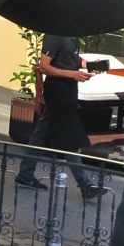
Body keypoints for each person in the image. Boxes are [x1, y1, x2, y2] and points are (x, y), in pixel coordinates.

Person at [15, 35, 103, 199]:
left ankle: (25, 175)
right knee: (69, 135)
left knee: (40, 133)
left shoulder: (72, 35)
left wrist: (88, 65)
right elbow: (44, 67)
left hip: (68, 90)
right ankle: (85, 185)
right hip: (57, 91)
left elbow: (71, 57)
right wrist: (72, 74)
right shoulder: (54, 35)